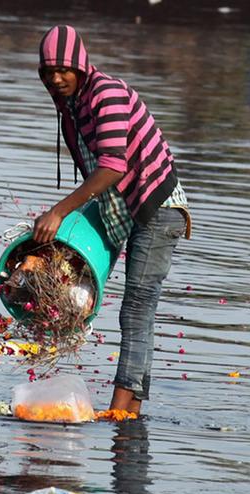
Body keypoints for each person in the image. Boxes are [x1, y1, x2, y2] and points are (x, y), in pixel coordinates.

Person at [32, 25, 191, 415]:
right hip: (120, 206)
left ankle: (120, 411)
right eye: (48, 71)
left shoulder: (106, 94)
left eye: (63, 69)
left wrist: (59, 211)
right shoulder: (69, 107)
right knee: (72, 277)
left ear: (81, 67)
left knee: (136, 307)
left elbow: (113, 167)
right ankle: (130, 411)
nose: (56, 78)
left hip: (156, 207)